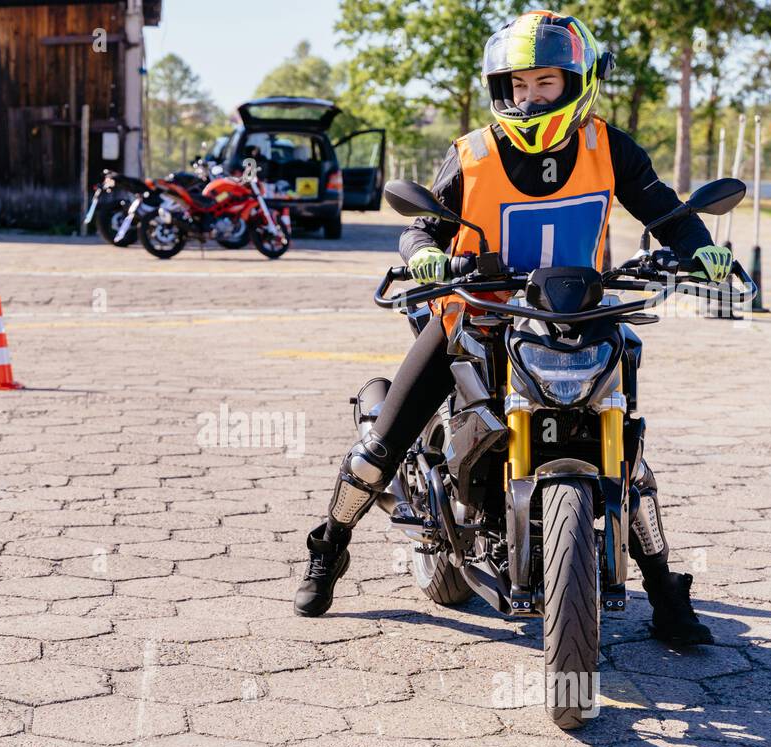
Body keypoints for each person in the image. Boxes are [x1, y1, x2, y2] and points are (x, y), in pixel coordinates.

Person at [293, 9, 732, 645]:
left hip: (581, 319)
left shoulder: (608, 147)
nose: (528, 99)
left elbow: (665, 209)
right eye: (517, 87)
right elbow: (426, 223)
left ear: (577, 82)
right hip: (477, 316)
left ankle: (664, 588)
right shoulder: (471, 154)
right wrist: (425, 252)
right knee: (379, 450)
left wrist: (703, 249)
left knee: (630, 455)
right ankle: (328, 546)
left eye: (544, 84)